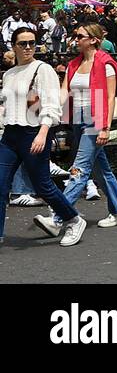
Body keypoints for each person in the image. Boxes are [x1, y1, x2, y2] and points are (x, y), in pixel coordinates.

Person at [34, 24, 117, 237]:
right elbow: (63, 91)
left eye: (80, 36)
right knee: (99, 168)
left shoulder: (106, 64)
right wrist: (51, 109)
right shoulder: (73, 64)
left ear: (94, 40)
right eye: (75, 36)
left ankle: (59, 217)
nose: (75, 39)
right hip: (78, 120)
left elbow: (109, 98)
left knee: (80, 168)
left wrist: (105, 127)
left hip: (95, 121)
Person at [0, 27, 88, 246]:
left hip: (33, 131)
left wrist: (43, 132)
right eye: (23, 43)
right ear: (14, 46)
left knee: (43, 185)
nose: (29, 47)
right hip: (11, 134)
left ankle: (74, 219)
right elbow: (8, 106)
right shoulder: (9, 74)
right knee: (0, 184)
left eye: (32, 43)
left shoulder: (42, 69)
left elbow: (51, 104)